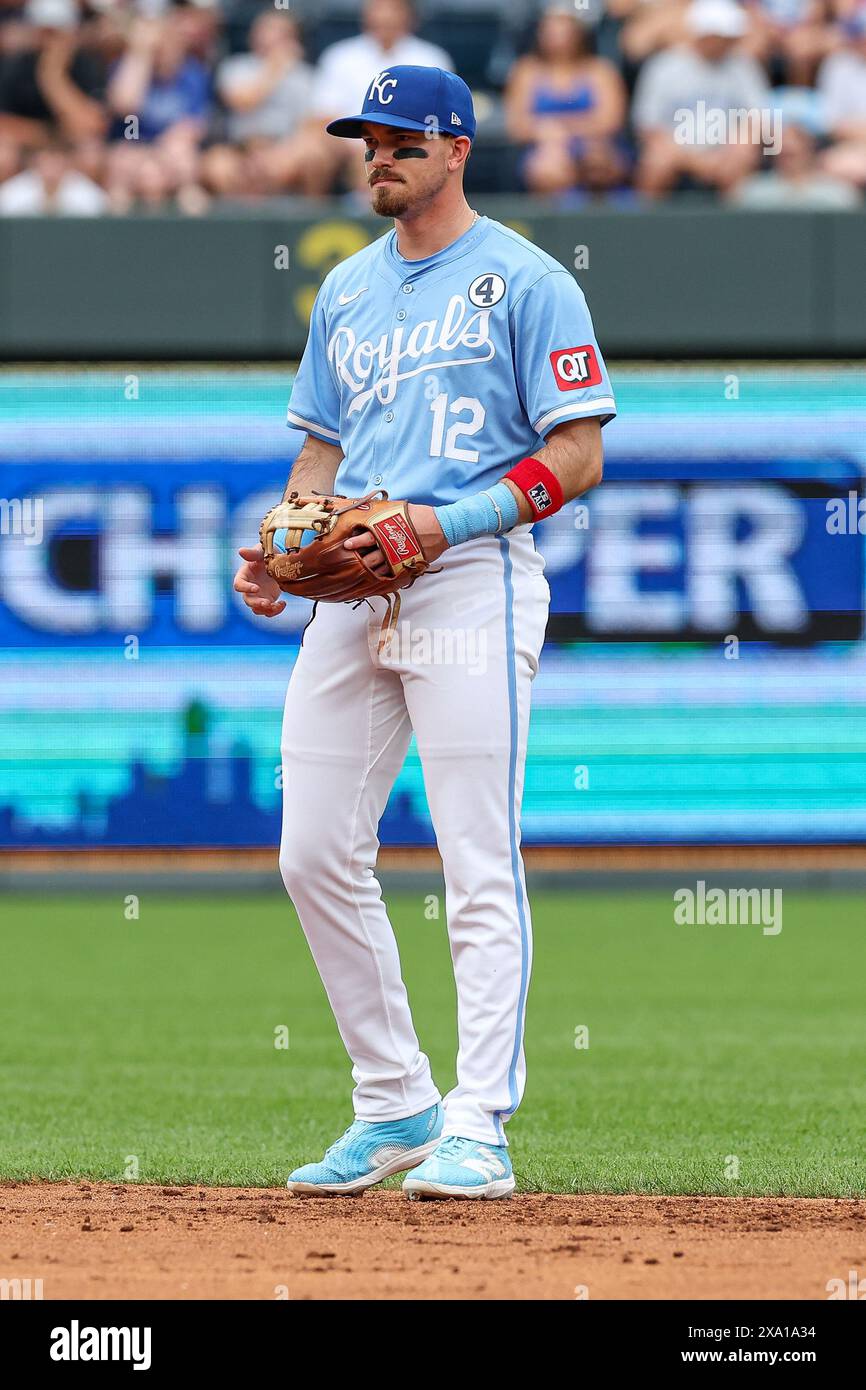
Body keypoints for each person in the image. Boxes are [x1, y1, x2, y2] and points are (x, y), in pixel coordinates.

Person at [234, 66, 616, 1200]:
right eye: (367, 138)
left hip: (469, 576)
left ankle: (479, 1124)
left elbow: (577, 454)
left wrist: (438, 524)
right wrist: (278, 548)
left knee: (472, 860)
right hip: (356, 592)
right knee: (309, 851)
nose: (376, 155)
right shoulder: (346, 291)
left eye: (400, 138)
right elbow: (318, 455)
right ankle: (393, 1098)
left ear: (455, 147)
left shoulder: (525, 278)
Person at [268, 0, 452, 198]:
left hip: (406, 137)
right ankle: (312, 218)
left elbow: (436, 119)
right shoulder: (341, 55)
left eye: (392, 9)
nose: (384, 16)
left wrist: (379, 141)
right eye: (378, 8)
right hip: (347, 138)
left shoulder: (431, 58)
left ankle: (372, 209)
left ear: (409, 16)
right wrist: (360, 140)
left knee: (374, 151)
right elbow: (322, 113)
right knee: (310, 150)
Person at [633, 0, 771, 197]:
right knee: (657, 162)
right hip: (676, 152)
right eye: (722, 36)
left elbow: (757, 118)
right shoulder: (664, 67)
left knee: (743, 156)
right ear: (704, 35)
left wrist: (733, 150)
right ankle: (645, 225)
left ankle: (735, 226)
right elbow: (649, 128)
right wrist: (694, 161)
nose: (729, 41)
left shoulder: (743, 66)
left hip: (725, 152)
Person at [504, 3, 628, 197]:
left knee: (598, 160)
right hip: (542, 150)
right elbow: (517, 126)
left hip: (596, 145)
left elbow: (610, 121)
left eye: (564, 26)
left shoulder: (601, 70)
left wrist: (560, 130)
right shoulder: (526, 71)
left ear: (579, 32)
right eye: (551, 27)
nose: (557, 33)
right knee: (548, 167)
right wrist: (549, 137)